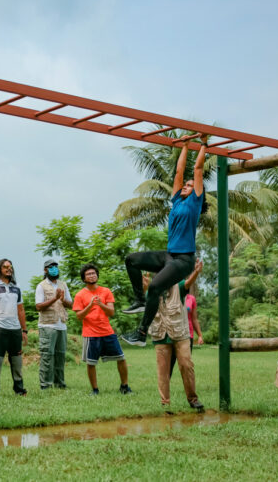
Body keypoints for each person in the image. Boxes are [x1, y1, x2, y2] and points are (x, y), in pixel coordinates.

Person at [122, 134, 210, 347]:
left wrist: (204, 144)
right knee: (131, 260)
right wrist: (185, 145)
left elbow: (197, 170)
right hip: (169, 255)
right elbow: (179, 172)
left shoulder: (195, 203)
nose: (187, 186)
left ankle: (141, 334)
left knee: (154, 287)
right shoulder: (177, 201)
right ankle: (139, 301)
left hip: (184, 260)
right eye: (186, 185)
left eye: (191, 185)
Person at [145, 260, 204, 411]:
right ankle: (165, 402)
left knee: (186, 365)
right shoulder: (153, 289)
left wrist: (196, 272)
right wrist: (144, 284)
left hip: (180, 334)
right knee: (163, 370)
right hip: (160, 334)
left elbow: (188, 282)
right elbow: (145, 294)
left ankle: (193, 399)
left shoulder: (178, 286)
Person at [72, 263, 132, 395]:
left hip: (107, 332)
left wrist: (100, 304)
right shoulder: (80, 295)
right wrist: (89, 306)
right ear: (84, 278)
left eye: (93, 273)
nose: (92, 275)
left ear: (97, 275)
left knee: (121, 358)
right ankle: (95, 390)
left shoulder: (106, 291)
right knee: (91, 363)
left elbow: (111, 312)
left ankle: (125, 386)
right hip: (90, 334)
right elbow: (79, 316)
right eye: (88, 274)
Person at [0, 258, 28, 398]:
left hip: (15, 330)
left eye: (10, 267)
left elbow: (21, 310)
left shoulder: (17, 287)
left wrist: (24, 330)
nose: (9, 269)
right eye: (5, 267)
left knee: (17, 362)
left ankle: (20, 390)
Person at [35, 259, 72, 390]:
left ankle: (59, 383)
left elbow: (71, 304)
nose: (54, 269)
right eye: (51, 267)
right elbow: (39, 306)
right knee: (47, 355)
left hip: (61, 324)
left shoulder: (63, 284)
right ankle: (45, 384)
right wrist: (55, 299)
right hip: (47, 326)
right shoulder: (41, 286)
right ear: (45, 270)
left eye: (56, 266)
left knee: (60, 356)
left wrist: (62, 300)